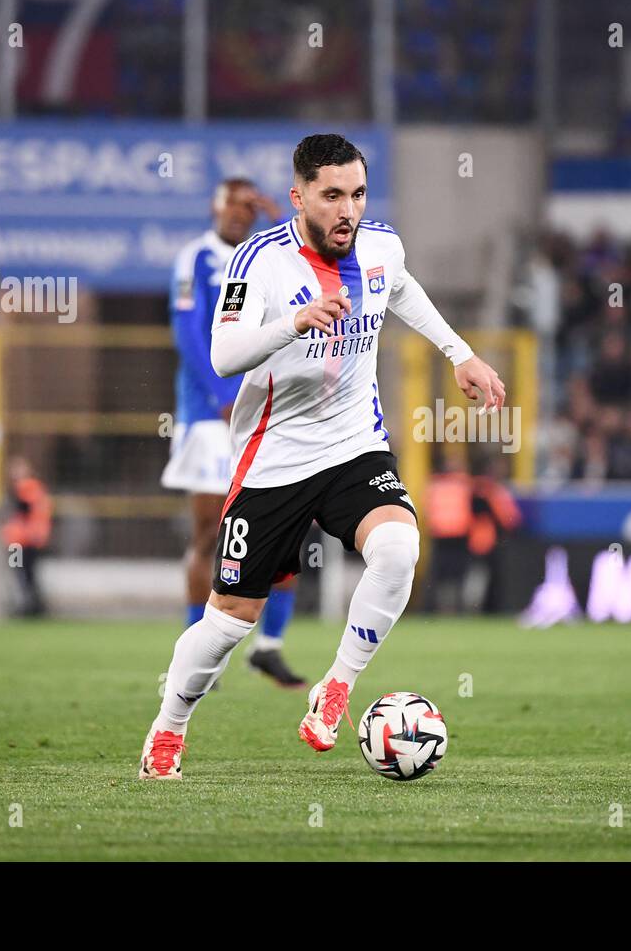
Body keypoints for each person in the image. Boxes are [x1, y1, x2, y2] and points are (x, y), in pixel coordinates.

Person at [139, 134, 505, 779]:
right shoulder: (259, 261)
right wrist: (295, 322)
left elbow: (402, 289)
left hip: (353, 444)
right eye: (332, 195)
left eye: (357, 194)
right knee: (228, 624)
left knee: (398, 551)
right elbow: (223, 356)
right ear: (298, 196)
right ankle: (168, 728)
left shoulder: (381, 245)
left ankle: (335, 687)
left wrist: (460, 354)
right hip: (274, 459)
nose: (347, 210)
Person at [161, 177, 306, 689]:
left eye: (252, 206)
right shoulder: (194, 260)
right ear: (214, 206)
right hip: (209, 415)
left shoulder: (266, 255)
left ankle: (269, 647)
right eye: (234, 204)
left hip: (270, 412)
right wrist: (222, 398)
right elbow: (187, 331)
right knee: (209, 534)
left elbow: (301, 279)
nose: (242, 214)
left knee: (288, 531)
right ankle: (195, 646)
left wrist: (276, 224)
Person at [2, 456, 52, 617]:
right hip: (24, 540)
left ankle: (27, 606)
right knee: (26, 574)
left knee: (21, 573)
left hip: (21, 541)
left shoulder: (25, 487)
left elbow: (24, 511)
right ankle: (32, 605)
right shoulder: (35, 487)